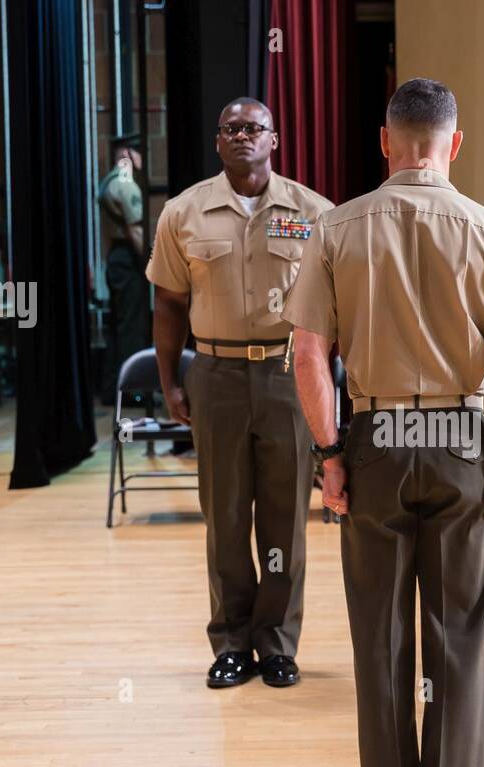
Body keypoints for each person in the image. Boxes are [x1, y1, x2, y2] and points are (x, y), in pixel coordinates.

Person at [287, 78, 484, 767]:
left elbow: (307, 354)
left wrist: (330, 456)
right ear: (453, 144)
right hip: (463, 444)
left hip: (375, 444)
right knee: (459, 634)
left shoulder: (334, 229)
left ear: (384, 141)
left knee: (380, 637)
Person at [146, 98, 333, 688]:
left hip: (286, 375)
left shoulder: (315, 212)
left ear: (274, 139)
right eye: (232, 128)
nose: (243, 136)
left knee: (284, 518)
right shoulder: (183, 214)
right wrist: (169, 380)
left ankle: (276, 644)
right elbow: (170, 303)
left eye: (254, 127)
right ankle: (230, 643)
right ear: (218, 140)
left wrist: (332, 386)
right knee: (224, 516)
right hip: (218, 376)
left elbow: (336, 310)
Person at [98, 133, 150, 401]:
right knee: (131, 326)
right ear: (128, 155)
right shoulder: (125, 185)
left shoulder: (109, 180)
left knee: (120, 327)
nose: (143, 158)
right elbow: (135, 231)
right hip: (128, 258)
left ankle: (113, 390)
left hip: (117, 258)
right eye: (138, 152)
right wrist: (151, 266)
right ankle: (133, 391)